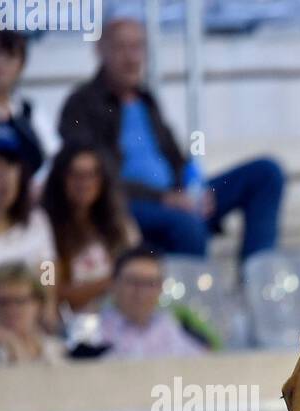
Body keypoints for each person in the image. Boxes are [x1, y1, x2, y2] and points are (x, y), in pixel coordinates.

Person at [58, 17, 284, 262]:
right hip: (127, 203)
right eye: (122, 47)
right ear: (100, 51)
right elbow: (95, 175)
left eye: (137, 47)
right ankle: (193, 295)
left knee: (266, 173)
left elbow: (176, 158)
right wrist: (164, 199)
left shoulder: (145, 99)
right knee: (187, 225)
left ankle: (256, 275)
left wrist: (194, 190)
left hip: (175, 197)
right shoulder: (82, 103)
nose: (131, 58)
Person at [42, 144, 138, 313]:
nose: (84, 183)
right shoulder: (44, 227)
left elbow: (137, 270)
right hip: (69, 324)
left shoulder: (120, 223)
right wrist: (111, 281)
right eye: (75, 175)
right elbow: (51, 291)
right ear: (60, 178)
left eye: (91, 175)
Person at [98, 244, 206, 358]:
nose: (142, 292)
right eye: (134, 282)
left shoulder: (168, 326)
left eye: (150, 283)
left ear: (161, 288)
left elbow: (203, 363)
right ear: (113, 284)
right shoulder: (95, 331)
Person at [0, 122, 55, 271]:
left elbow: (48, 280)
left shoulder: (38, 222)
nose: (3, 174)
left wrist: (43, 290)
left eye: (11, 163)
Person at [0, 31, 52, 178]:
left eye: (9, 56)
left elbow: (54, 157)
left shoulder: (31, 112)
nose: (1, 63)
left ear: (21, 65)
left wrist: (37, 183)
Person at [0, 263, 61, 364]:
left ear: (38, 304)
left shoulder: (56, 349)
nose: (12, 308)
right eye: (3, 302)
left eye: (20, 301)